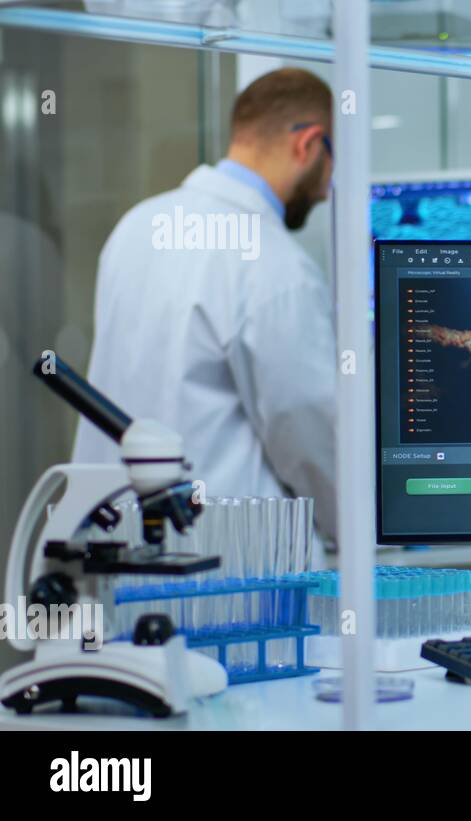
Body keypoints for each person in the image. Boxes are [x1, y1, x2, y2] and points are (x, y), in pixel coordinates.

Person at [73, 68, 338, 544]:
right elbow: (309, 430)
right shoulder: (275, 263)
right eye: (333, 161)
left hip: (122, 548)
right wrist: (359, 528)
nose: (326, 190)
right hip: (227, 569)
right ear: (309, 145)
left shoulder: (138, 225)